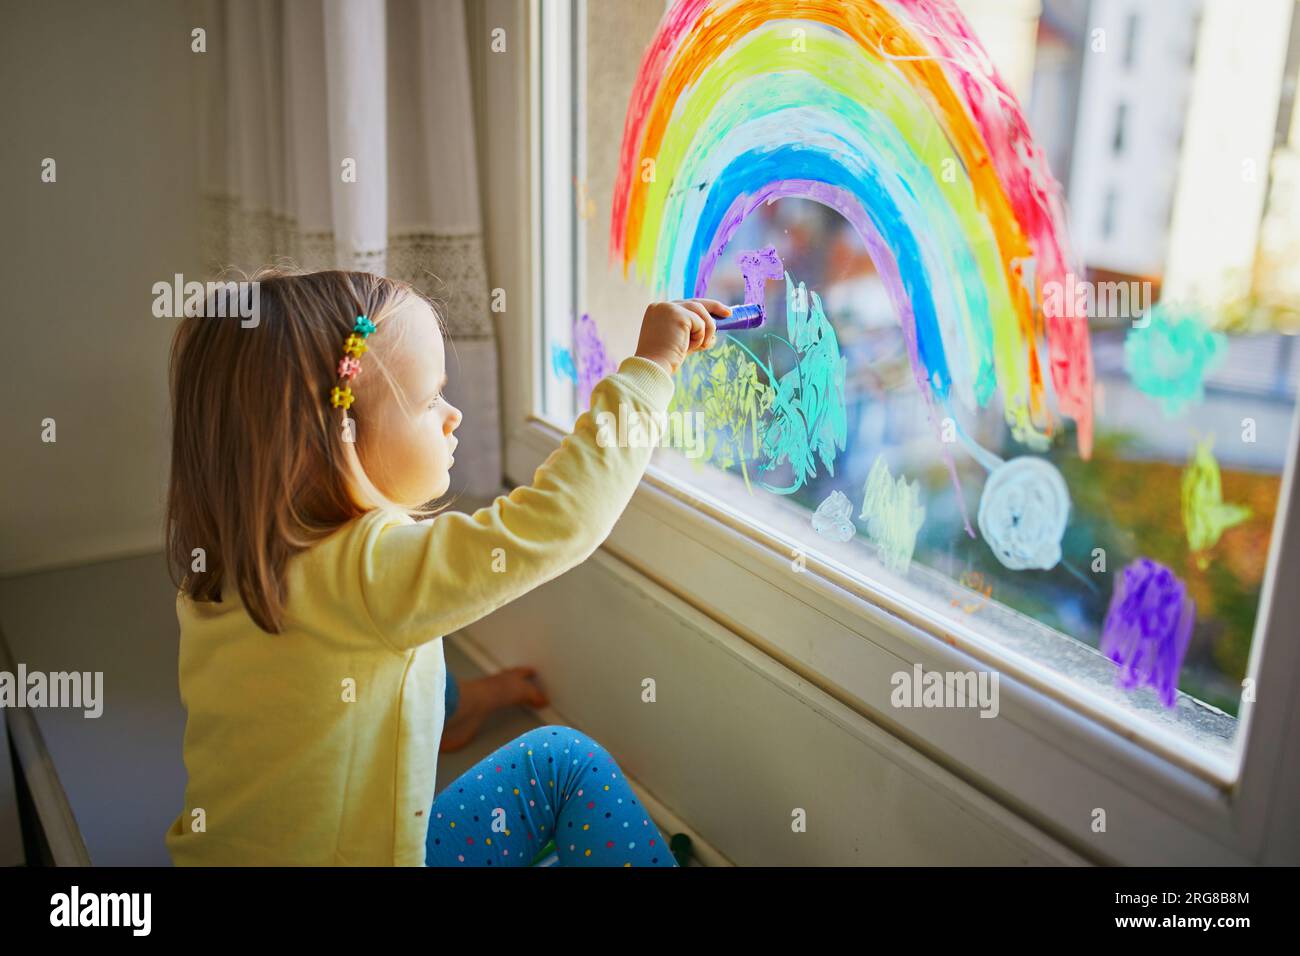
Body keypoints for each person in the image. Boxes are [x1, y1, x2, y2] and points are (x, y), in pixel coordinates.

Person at [162, 267, 726, 866]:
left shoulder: (229, 571)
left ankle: (457, 708)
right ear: (335, 433)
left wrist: (455, 700)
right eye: (431, 399)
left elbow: (340, 683)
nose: (452, 415)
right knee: (564, 763)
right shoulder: (367, 572)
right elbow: (562, 521)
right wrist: (652, 369)